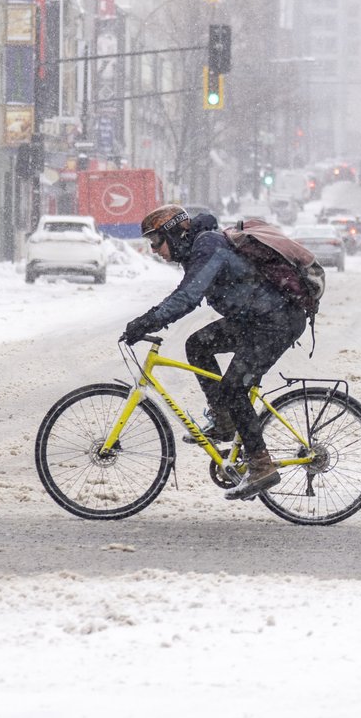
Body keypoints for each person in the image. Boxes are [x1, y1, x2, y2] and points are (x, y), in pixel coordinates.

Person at [122, 205, 306, 500]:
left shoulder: (208, 245)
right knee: (198, 344)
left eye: (156, 240)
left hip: (276, 321)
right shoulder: (198, 248)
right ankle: (224, 421)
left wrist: (147, 321)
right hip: (256, 319)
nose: (154, 249)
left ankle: (261, 465)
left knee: (234, 387)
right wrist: (150, 319)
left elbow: (188, 296)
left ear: (174, 232)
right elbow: (188, 292)